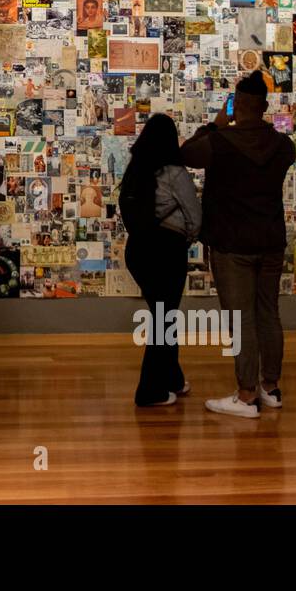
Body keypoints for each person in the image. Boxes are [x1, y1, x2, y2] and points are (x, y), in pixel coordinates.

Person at [180, 73, 296, 418]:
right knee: (268, 314)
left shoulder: (219, 142)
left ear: (237, 104)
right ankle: (270, 388)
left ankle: (246, 396)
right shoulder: (283, 146)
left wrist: (215, 126)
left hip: (232, 244)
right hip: (271, 240)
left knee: (240, 317)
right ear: (263, 107)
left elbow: (185, 153)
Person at [118, 113, 202, 407]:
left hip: (138, 252)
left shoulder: (135, 169)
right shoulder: (175, 173)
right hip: (166, 252)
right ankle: (149, 390)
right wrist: (184, 240)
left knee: (162, 314)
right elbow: (195, 217)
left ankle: (172, 378)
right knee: (164, 319)